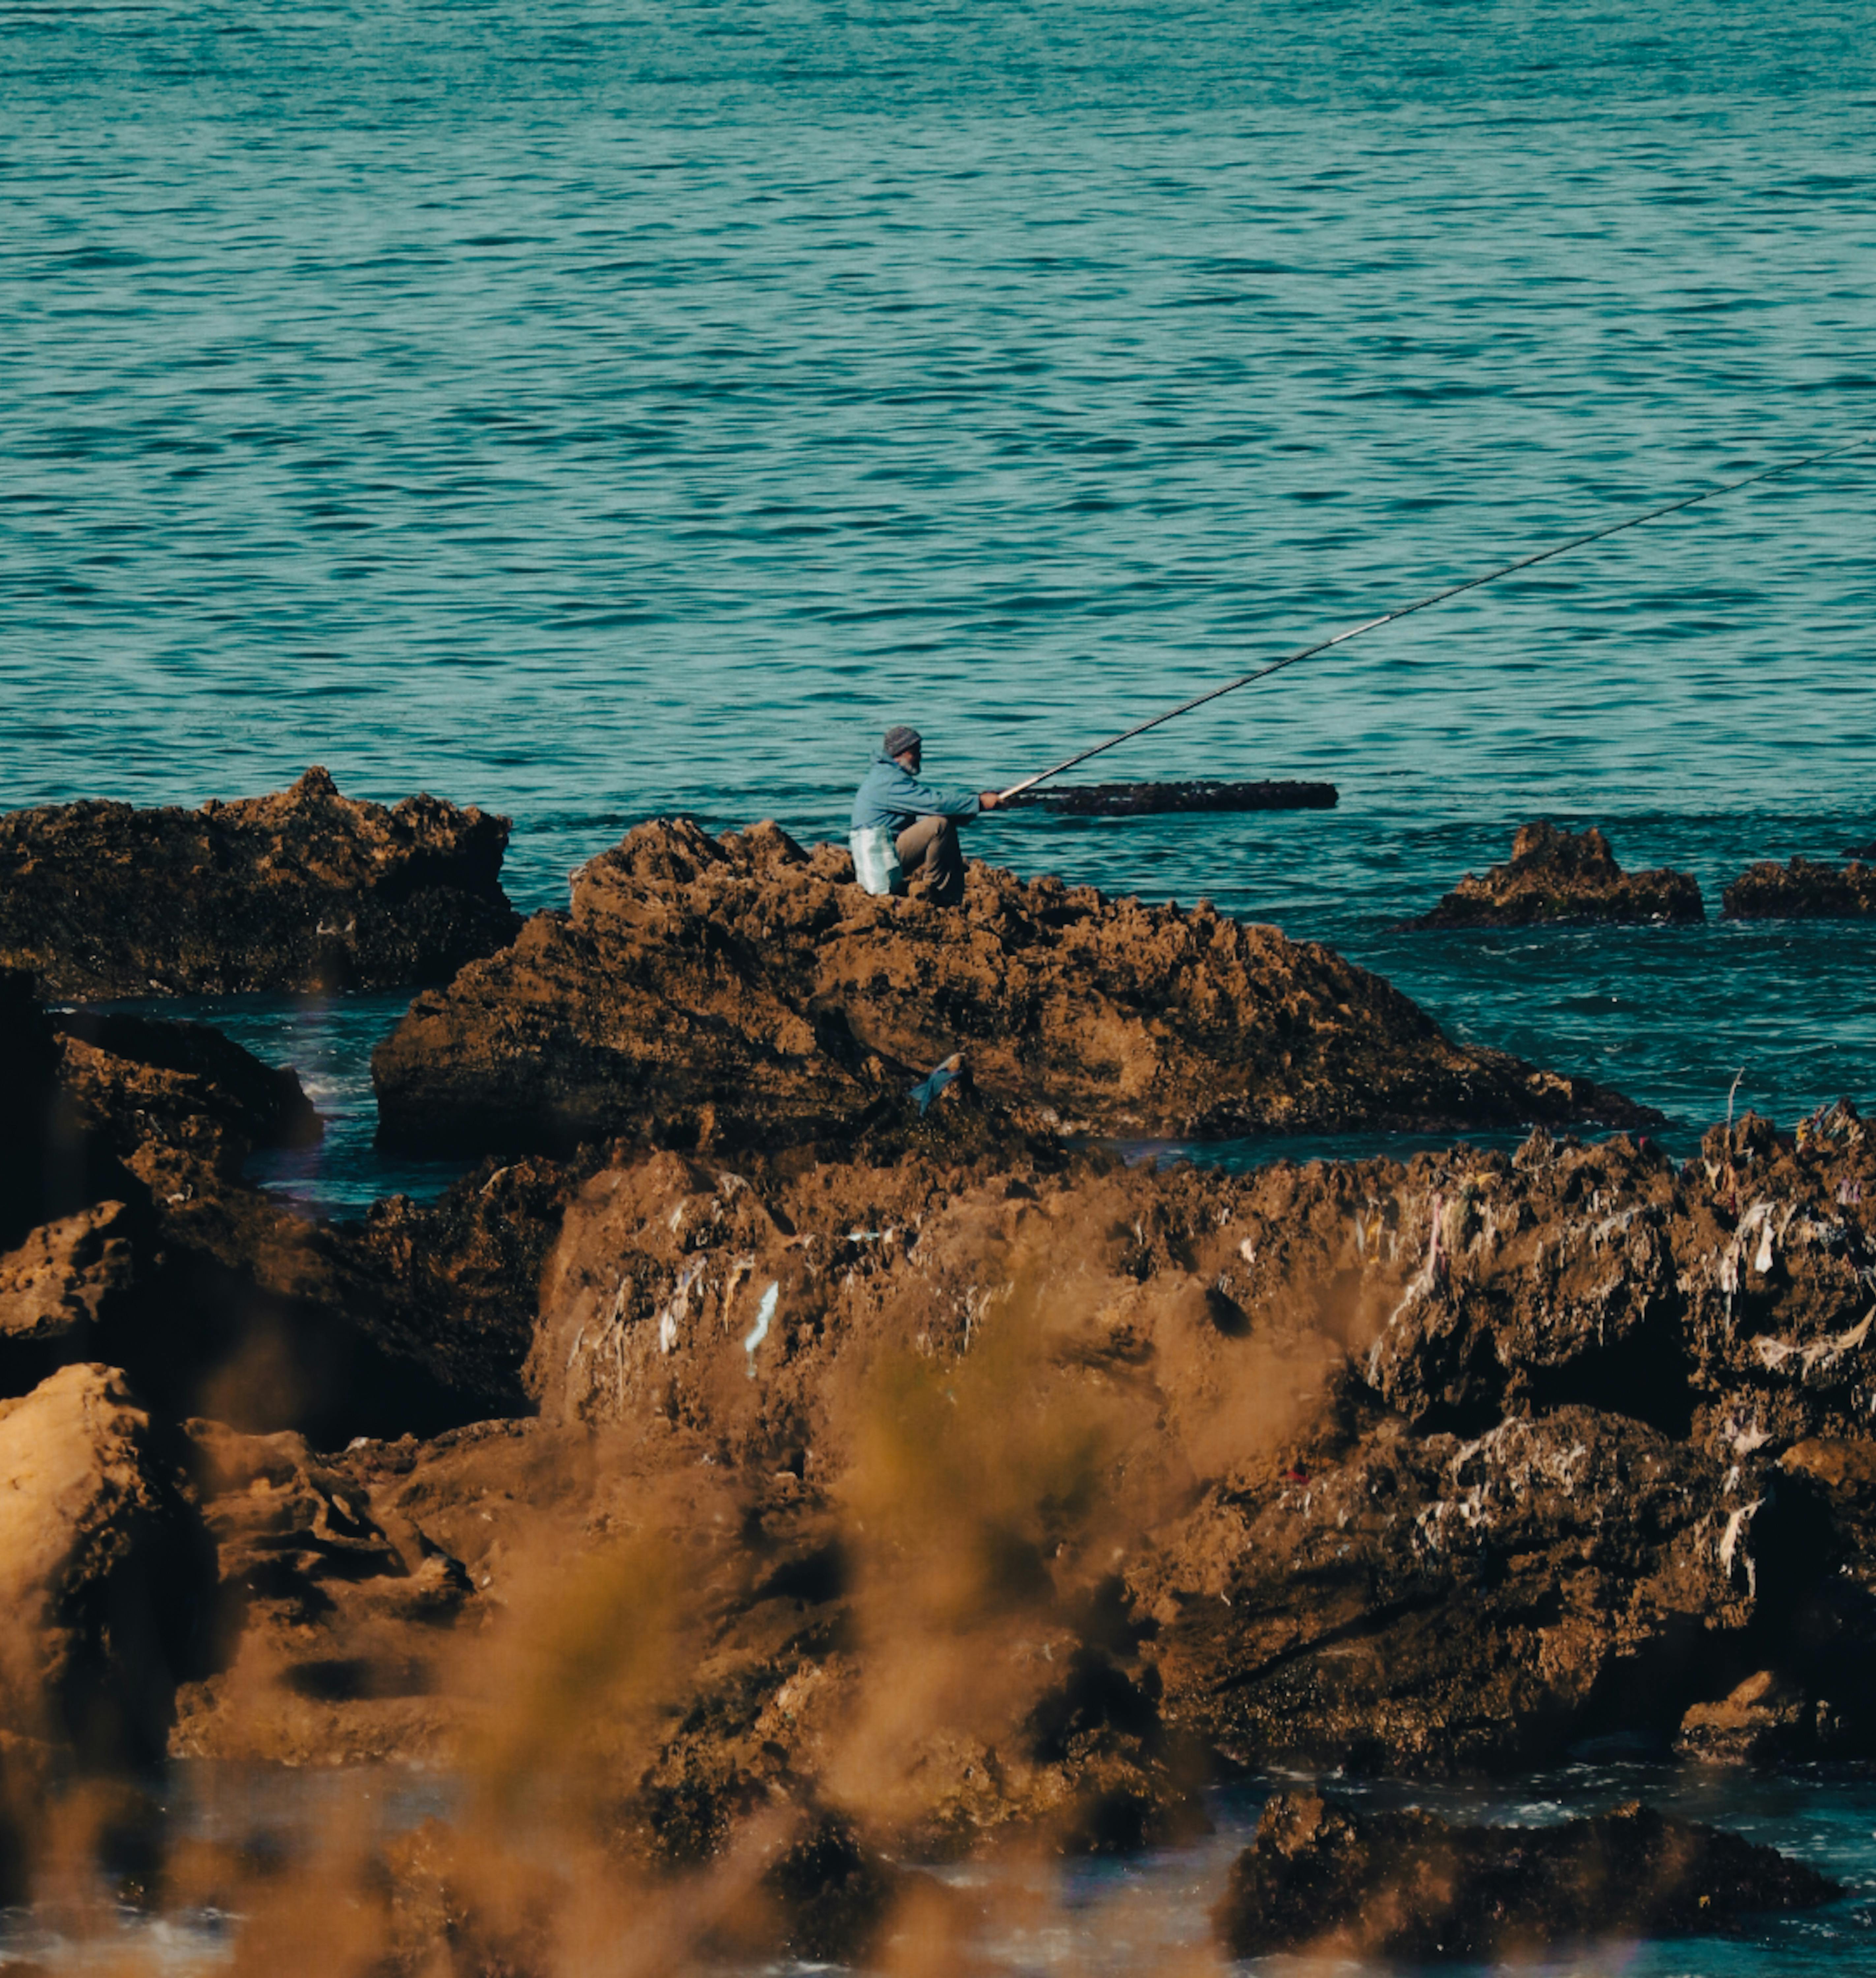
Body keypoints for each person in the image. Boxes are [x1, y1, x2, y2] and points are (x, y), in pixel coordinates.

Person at [849, 724, 1002, 906]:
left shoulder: (886, 775)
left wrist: (976, 808)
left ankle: (950, 894)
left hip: (884, 856)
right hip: (880, 866)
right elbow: (935, 803)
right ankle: (942, 895)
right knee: (938, 826)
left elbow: (936, 808)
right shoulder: (890, 782)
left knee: (944, 822)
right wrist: (979, 803)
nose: (920, 757)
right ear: (900, 754)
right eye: (915, 752)